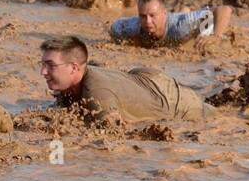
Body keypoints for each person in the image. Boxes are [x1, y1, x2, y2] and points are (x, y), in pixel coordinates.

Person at [39, 35, 208, 125]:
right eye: (42, 64)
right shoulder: (72, 82)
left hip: (180, 105)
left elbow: (113, 136)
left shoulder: (97, 94)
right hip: (144, 82)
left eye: (50, 65)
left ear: (74, 68)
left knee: (222, 114)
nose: (43, 72)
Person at [110, 0, 233, 46]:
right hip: (179, 20)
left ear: (164, 13)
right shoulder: (132, 27)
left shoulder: (182, 26)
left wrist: (215, 36)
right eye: (143, 16)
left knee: (207, 40)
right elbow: (114, 28)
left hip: (196, 24)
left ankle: (186, 10)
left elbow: (224, 9)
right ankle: (184, 10)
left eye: (153, 16)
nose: (147, 22)